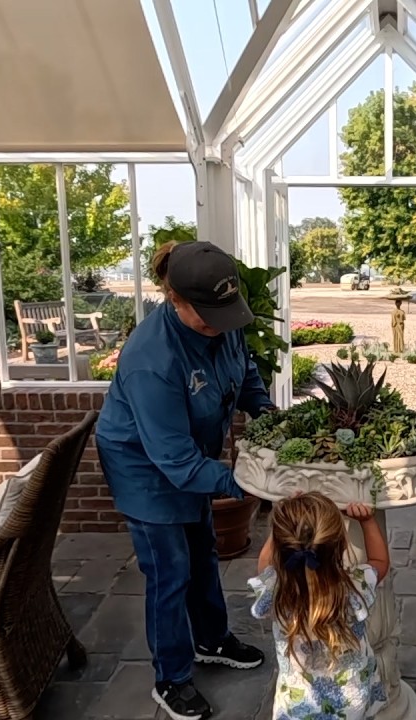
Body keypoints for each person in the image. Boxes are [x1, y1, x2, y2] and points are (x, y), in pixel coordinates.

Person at [95, 240, 275, 720]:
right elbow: (172, 460)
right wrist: (249, 483)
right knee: (170, 569)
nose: (219, 323)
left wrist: (267, 414)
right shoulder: (151, 360)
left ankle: (211, 639)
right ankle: (171, 678)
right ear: (174, 299)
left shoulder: (223, 321)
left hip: (189, 454)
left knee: (202, 549)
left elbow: (247, 372)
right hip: (144, 467)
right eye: (207, 314)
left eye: (225, 311)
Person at [249, 493, 390, 720]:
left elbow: (263, 565)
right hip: (349, 704)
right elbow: (381, 562)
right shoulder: (355, 586)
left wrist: (282, 524)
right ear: (341, 544)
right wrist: (368, 522)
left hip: (296, 706)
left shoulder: (276, 592)